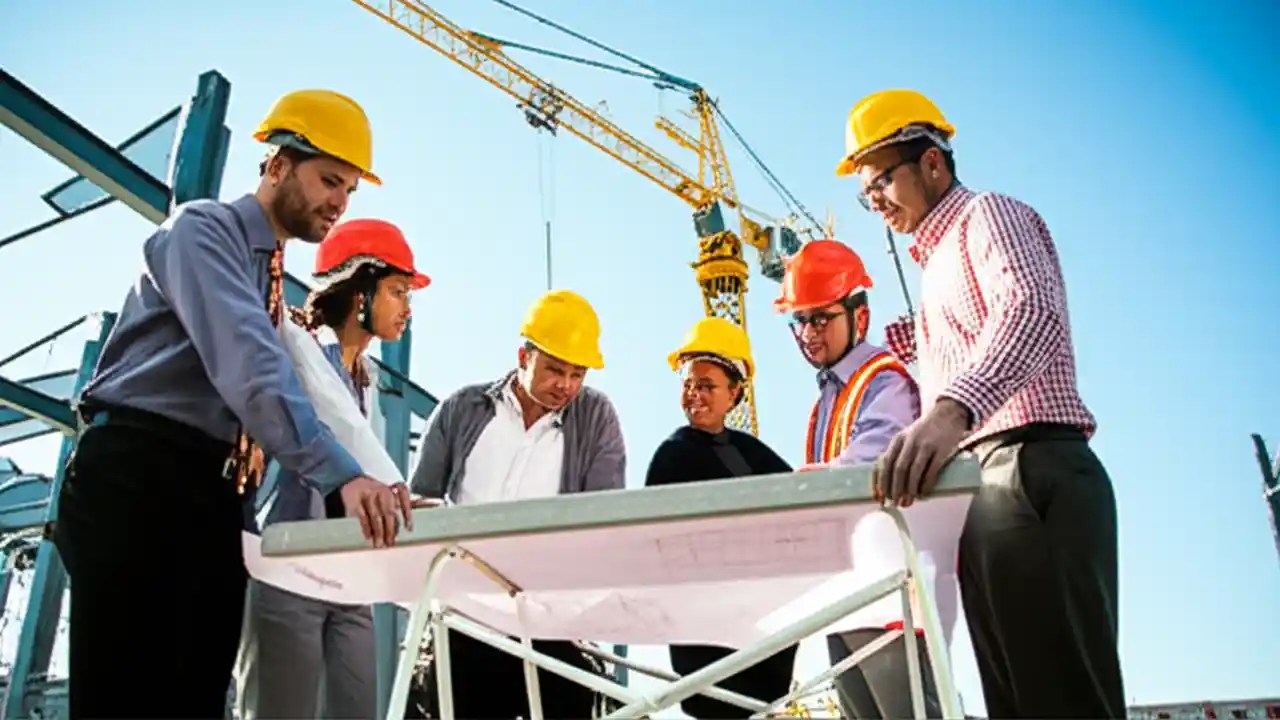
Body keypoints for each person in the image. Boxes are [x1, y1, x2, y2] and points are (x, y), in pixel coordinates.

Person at [52, 89, 414, 719]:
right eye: (331, 180)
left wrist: (383, 482)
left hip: (213, 497)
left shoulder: (269, 279)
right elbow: (250, 366)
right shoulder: (202, 233)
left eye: (351, 191)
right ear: (277, 165)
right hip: (142, 476)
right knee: (122, 697)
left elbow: (305, 390)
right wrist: (343, 476)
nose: (340, 203)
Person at [839, 88, 1126, 718]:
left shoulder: (988, 216)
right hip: (987, 491)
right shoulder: (935, 265)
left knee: (1061, 698)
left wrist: (950, 411)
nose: (875, 202)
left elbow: (1030, 311)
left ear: (933, 163)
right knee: (1017, 703)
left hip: (1030, 469)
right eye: (866, 194)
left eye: (882, 181)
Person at [234, 218, 430, 719]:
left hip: (348, 580)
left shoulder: (362, 382)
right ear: (358, 290)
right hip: (288, 565)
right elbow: (319, 423)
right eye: (397, 291)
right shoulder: (299, 352)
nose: (407, 308)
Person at [406, 288, 626, 719]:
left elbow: (605, 517)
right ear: (523, 356)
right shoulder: (461, 410)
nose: (566, 385)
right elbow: (420, 502)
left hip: (552, 626)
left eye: (578, 374)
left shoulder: (596, 418)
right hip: (465, 621)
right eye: (554, 370)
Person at [773, 239, 943, 719]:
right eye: (800, 320)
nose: (808, 332)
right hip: (845, 593)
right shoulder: (827, 398)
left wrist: (793, 490)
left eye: (821, 318)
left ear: (859, 316)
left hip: (884, 592)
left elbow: (874, 463)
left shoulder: (884, 381)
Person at [644, 316, 797, 718]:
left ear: (735, 394)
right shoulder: (672, 455)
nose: (695, 394)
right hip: (704, 637)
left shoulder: (754, 455)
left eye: (707, 385)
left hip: (762, 637)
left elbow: (803, 506)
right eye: (689, 384)